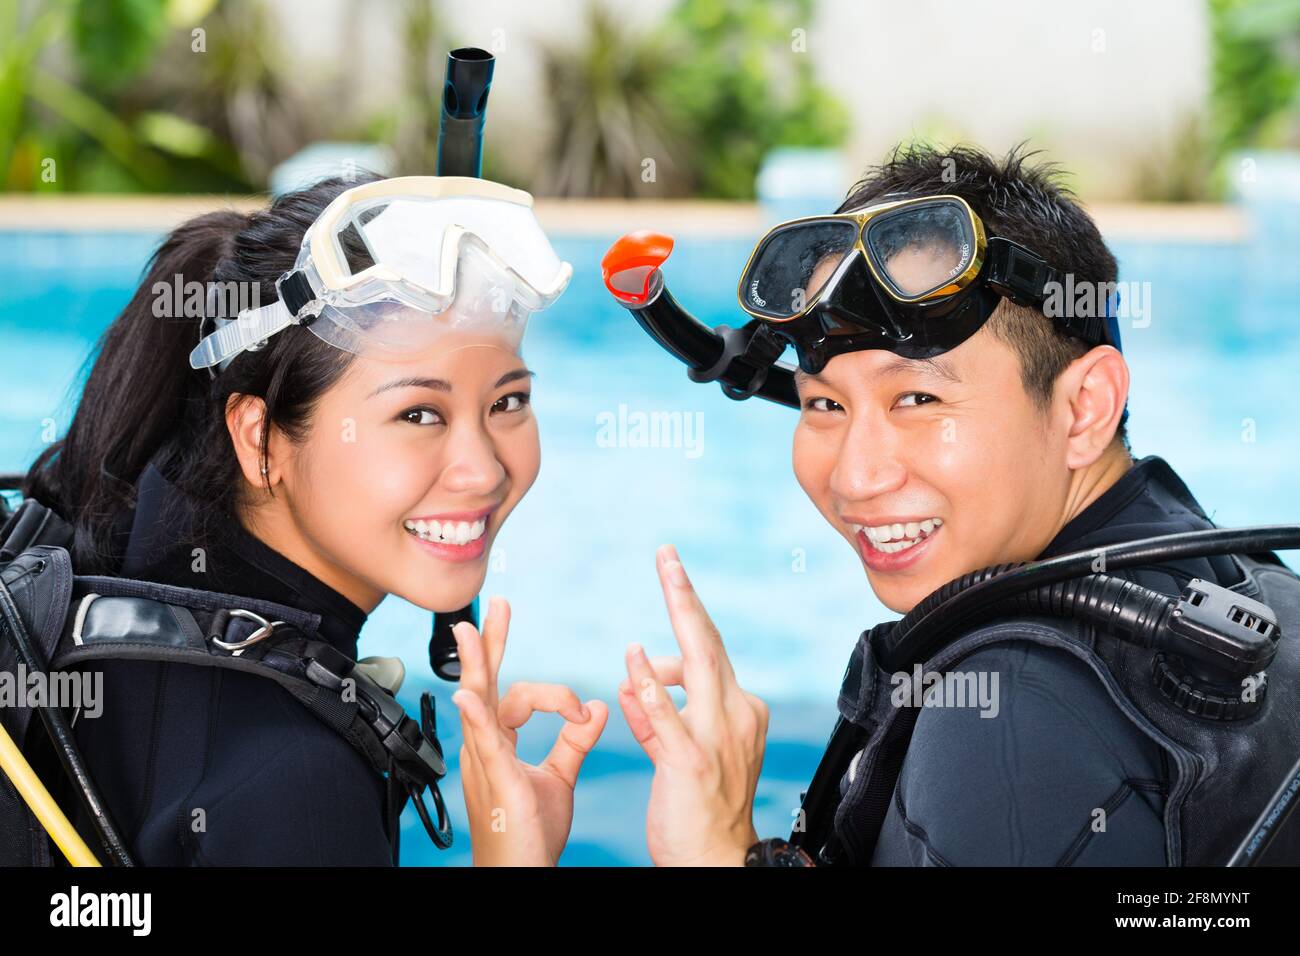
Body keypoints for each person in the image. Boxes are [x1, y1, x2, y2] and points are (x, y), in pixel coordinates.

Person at [596, 143, 1300, 866]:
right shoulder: (1235, 577)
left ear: (1085, 407)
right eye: (825, 404)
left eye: (918, 398)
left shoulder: (1010, 715)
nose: (857, 477)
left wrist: (714, 853)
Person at [12, 173, 609, 866]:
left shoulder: (104, 551)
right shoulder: (296, 793)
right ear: (259, 439)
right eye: (418, 414)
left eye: (508, 402)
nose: (482, 469)